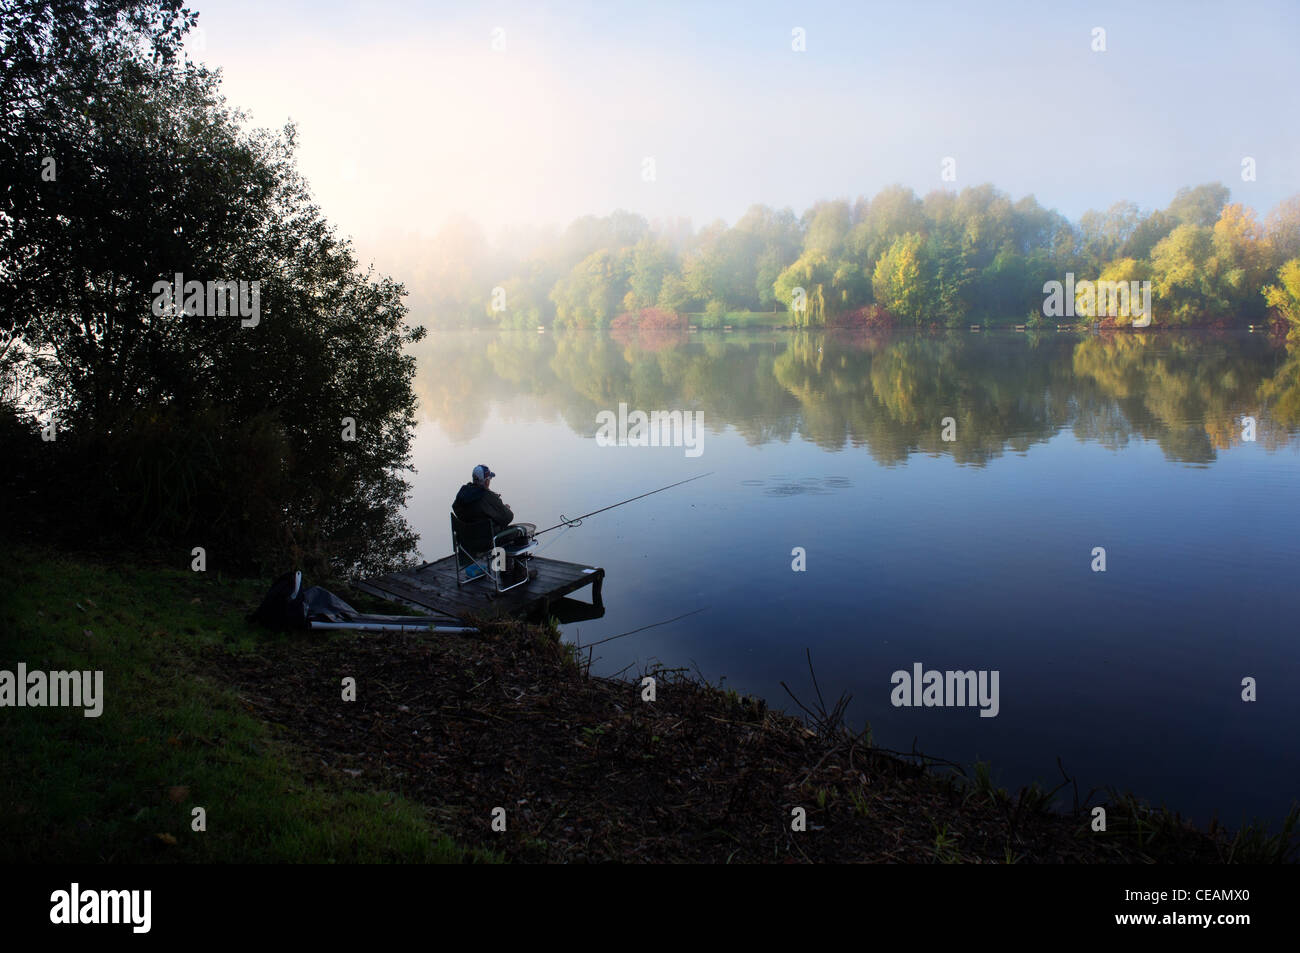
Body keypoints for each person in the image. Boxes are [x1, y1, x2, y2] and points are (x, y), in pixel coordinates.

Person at [452, 464, 535, 580]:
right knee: (520, 531)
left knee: (498, 532)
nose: (490, 481)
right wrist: (503, 508)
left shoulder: (462, 494)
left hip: (467, 542)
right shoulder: (487, 496)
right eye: (489, 479)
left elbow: (471, 513)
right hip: (487, 542)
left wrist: (492, 513)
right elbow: (508, 517)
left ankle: (506, 570)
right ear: (486, 481)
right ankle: (517, 573)